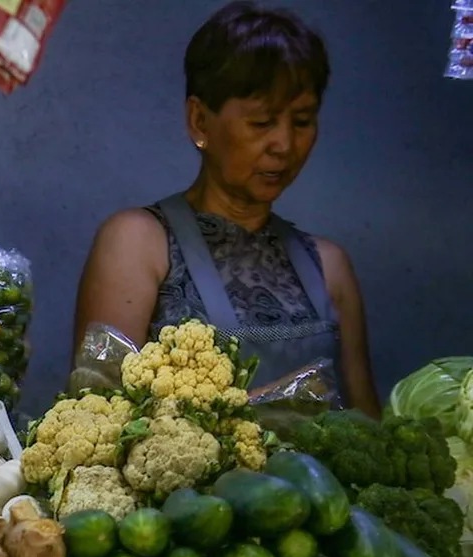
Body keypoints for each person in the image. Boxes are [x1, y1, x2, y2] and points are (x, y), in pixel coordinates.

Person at [73, 1, 381, 418]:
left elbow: (368, 427)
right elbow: (95, 417)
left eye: (303, 121)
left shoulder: (331, 266)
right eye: (262, 122)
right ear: (200, 121)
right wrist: (259, 408)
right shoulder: (136, 243)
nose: (285, 144)